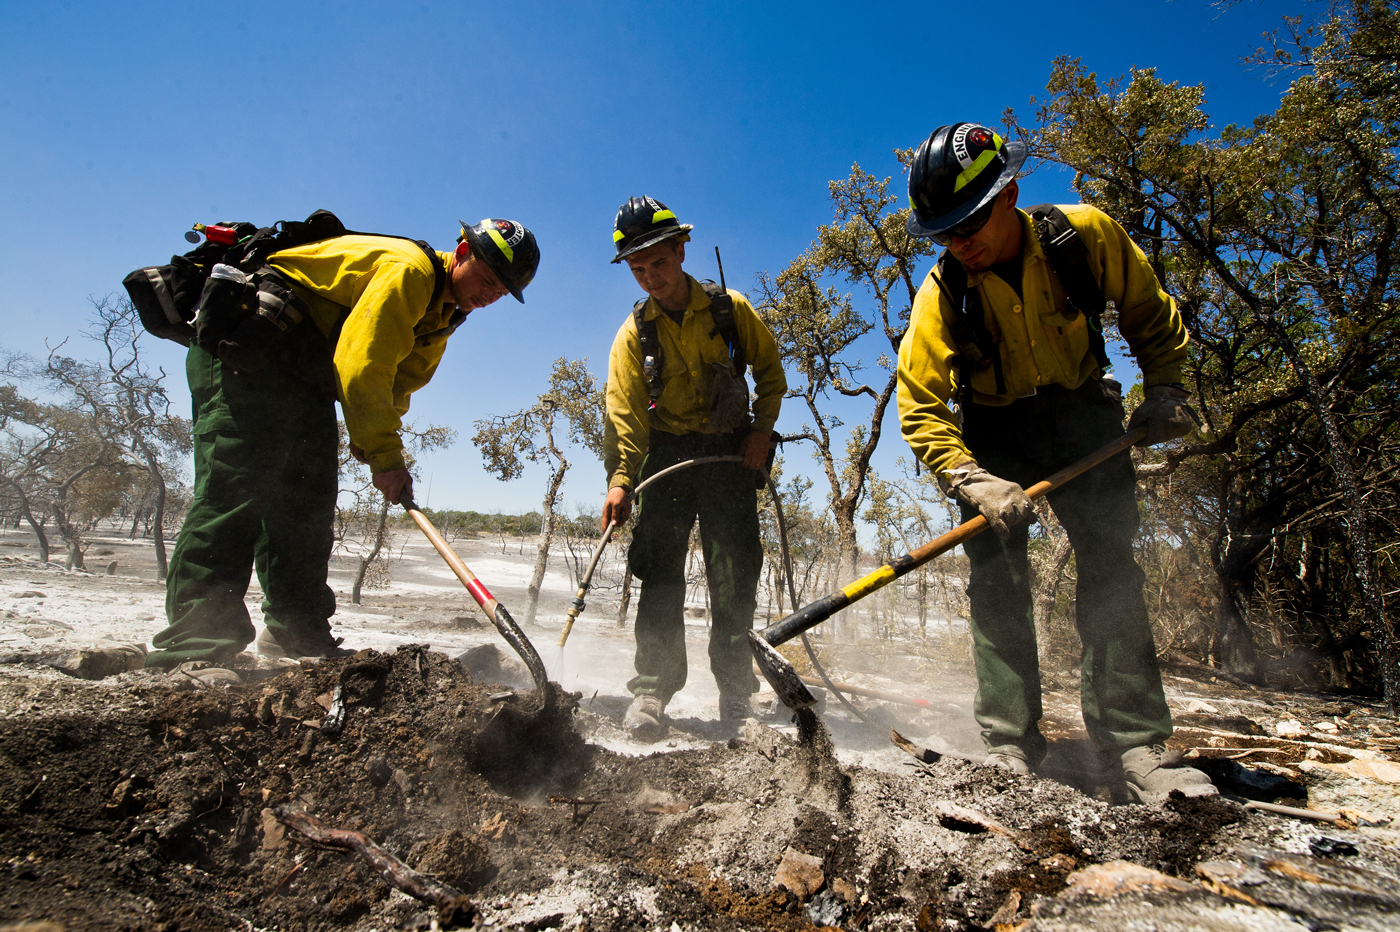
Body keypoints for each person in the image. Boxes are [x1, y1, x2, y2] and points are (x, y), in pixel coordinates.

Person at [896, 122, 1215, 803]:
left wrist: (1163, 390)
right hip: (993, 430)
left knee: (1110, 563)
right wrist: (973, 478)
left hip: (1082, 416)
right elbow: (921, 405)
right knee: (997, 576)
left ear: (1008, 191)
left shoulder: (1086, 237)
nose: (960, 243)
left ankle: (1134, 744)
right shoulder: (943, 291)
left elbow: (1151, 317)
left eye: (970, 223)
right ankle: (1010, 744)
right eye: (944, 233)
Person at [145, 217, 540, 677]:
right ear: (463, 252)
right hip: (247, 348)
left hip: (303, 374)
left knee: (306, 502)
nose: (490, 294)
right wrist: (384, 456)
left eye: (502, 291)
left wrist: (380, 452)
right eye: (488, 278)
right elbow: (361, 367)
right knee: (234, 491)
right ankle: (194, 644)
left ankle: (297, 632)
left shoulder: (444, 315)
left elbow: (397, 385)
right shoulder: (410, 272)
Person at [601, 197, 787, 740]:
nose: (650, 278)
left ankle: (737, 697)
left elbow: (772, 376)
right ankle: (653, 692)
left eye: (658, 263)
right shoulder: (635, 333)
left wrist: (760, 433)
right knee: (658, 571)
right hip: (667, 460)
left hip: (730, 455)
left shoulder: (731, 310)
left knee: (734, 577)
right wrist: (620, 481)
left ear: (681, 250)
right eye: (638, 270)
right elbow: (625, 415)